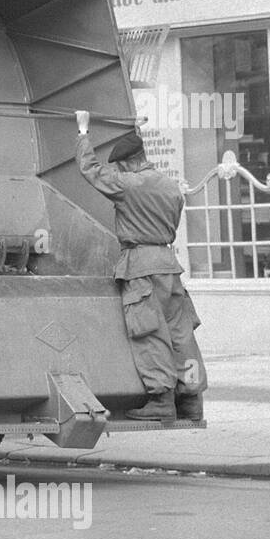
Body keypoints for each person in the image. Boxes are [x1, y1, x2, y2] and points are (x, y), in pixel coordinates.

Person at [76, 110, 206, 421]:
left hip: (140, 267)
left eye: (121, 166)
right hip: (168, 265)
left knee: (150, 333)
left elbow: (90, 170)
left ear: (130, 162)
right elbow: (171, 227)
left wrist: (83, 133)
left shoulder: (130, 184)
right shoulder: (171, 187)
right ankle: (191, 400)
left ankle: (161, 401)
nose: (120, 170)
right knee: (181, 334)